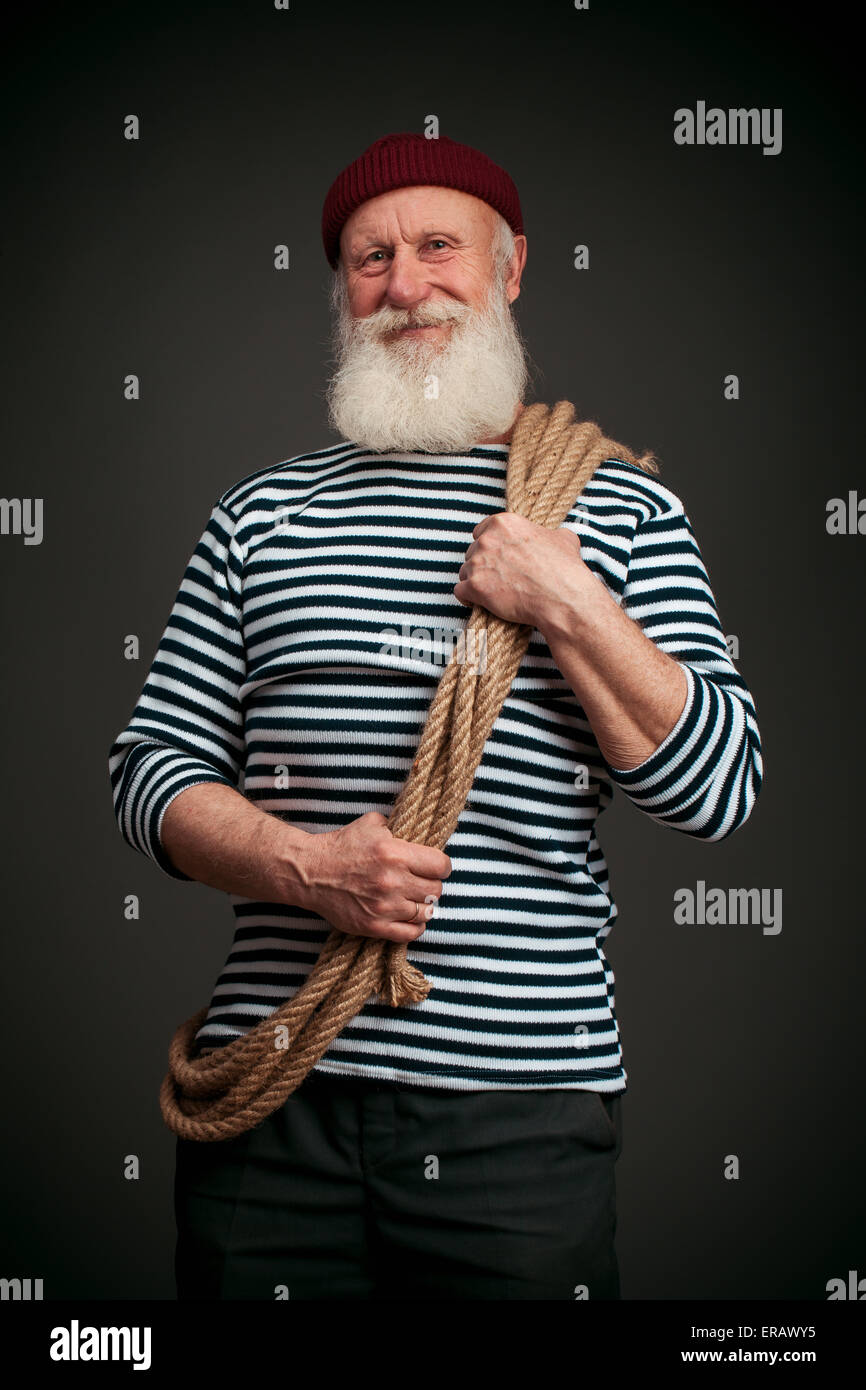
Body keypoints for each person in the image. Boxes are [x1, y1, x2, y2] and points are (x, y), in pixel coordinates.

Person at [107, 131, 763, 1300]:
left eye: (435, 247)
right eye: (369, 258)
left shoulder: (620, 511)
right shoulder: (259, 516)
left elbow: (715, 790)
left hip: (517, 1118)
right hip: (271, 1099)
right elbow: (148, 773)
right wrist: (306, 865)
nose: (403, 285)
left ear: (508, 270)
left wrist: (565, 600)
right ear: (342, 291)